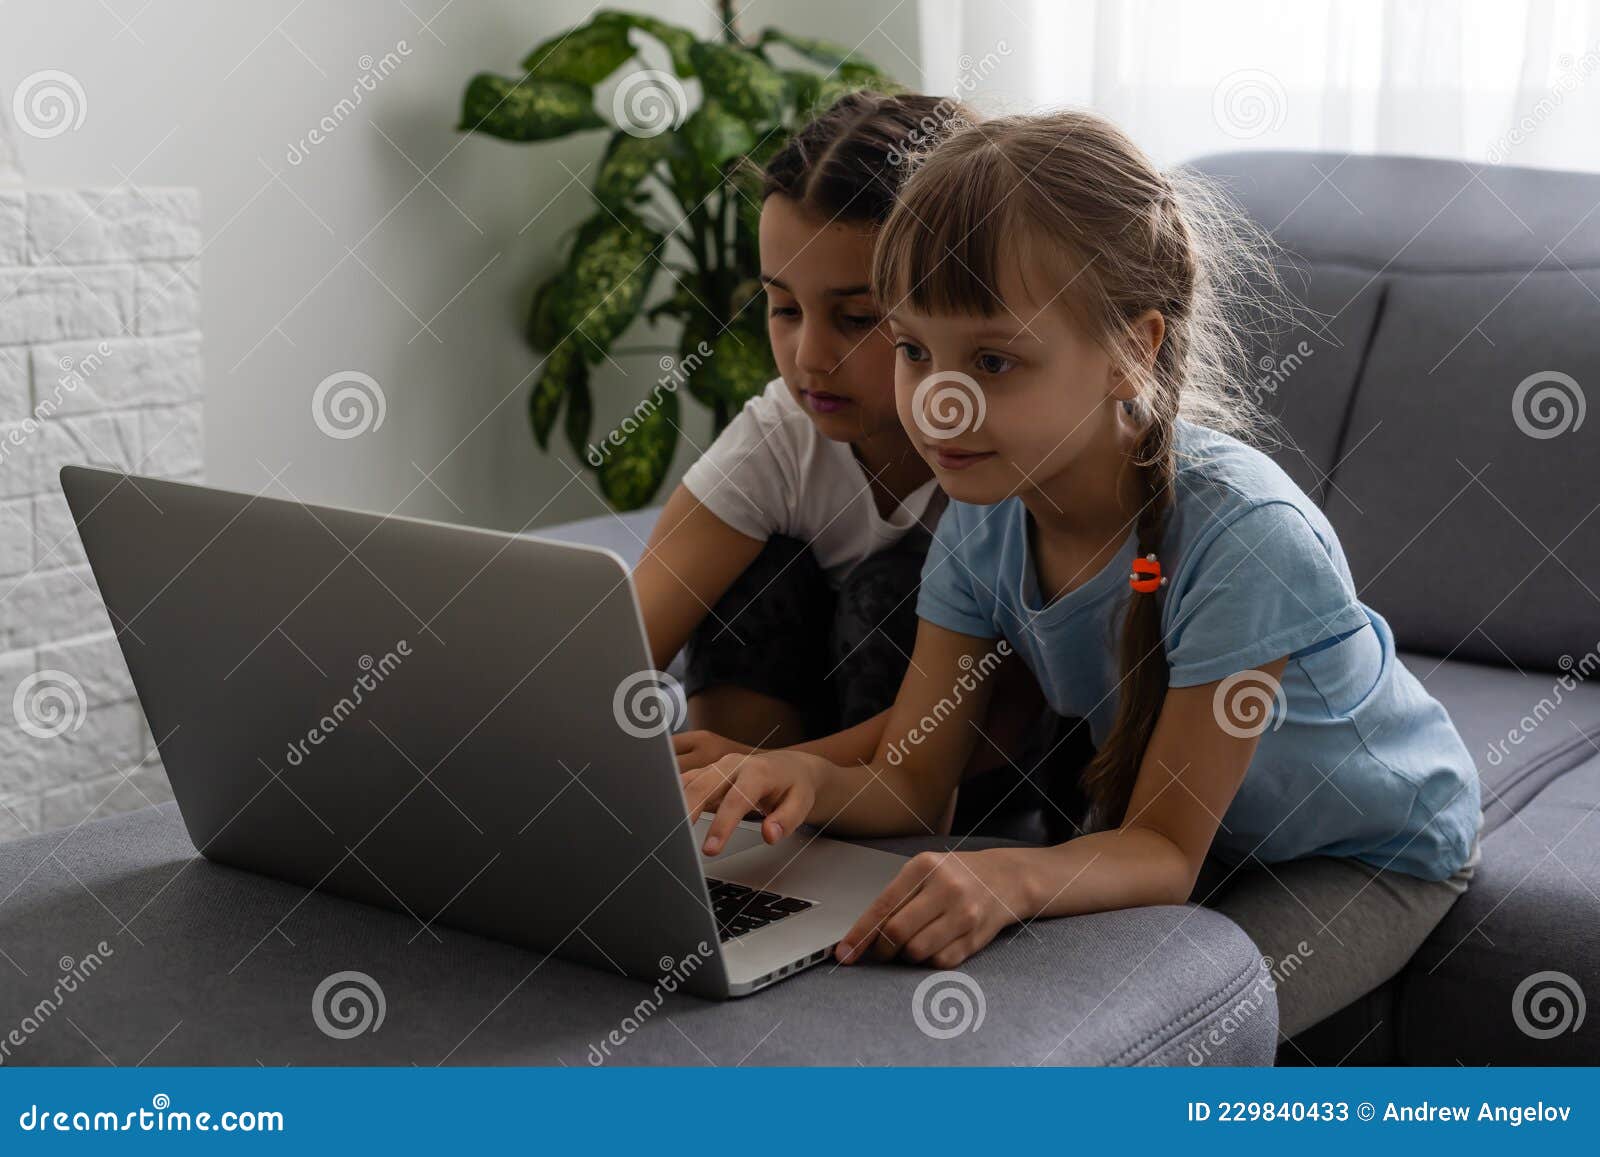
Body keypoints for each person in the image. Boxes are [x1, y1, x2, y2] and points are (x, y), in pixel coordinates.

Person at [682, 110, 1484, 1039]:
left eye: (992, 359)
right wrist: (803, 779)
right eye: (912, 350)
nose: (939, 401)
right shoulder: (983, 520)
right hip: (1206, 837)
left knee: (1166, 1048)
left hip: (1362, 855)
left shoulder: (1245, 540)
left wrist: (1016, 874)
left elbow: (1162, 849)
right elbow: (913, 782)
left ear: (1132, 350)